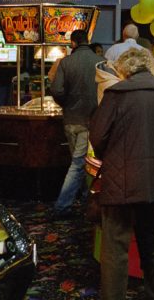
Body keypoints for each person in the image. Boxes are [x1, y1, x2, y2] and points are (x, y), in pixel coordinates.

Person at [89, 48, 154, 300]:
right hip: (153, 180)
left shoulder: (115, 94)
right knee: (153, 243)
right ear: (150, 66)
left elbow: (97, 136)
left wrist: (111, 155)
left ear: (124, 70)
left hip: (118, 183)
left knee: (115, 248)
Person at [49, 29, 104, 219]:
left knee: (77, 163)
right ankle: (73, 203)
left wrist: (66, 103)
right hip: (91, 120)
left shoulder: (66, 62)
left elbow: (56, 90)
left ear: (73, 43)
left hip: (70, 120)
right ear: (87, 41)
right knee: (79, 164)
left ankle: (63, 206)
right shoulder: (100, 62)